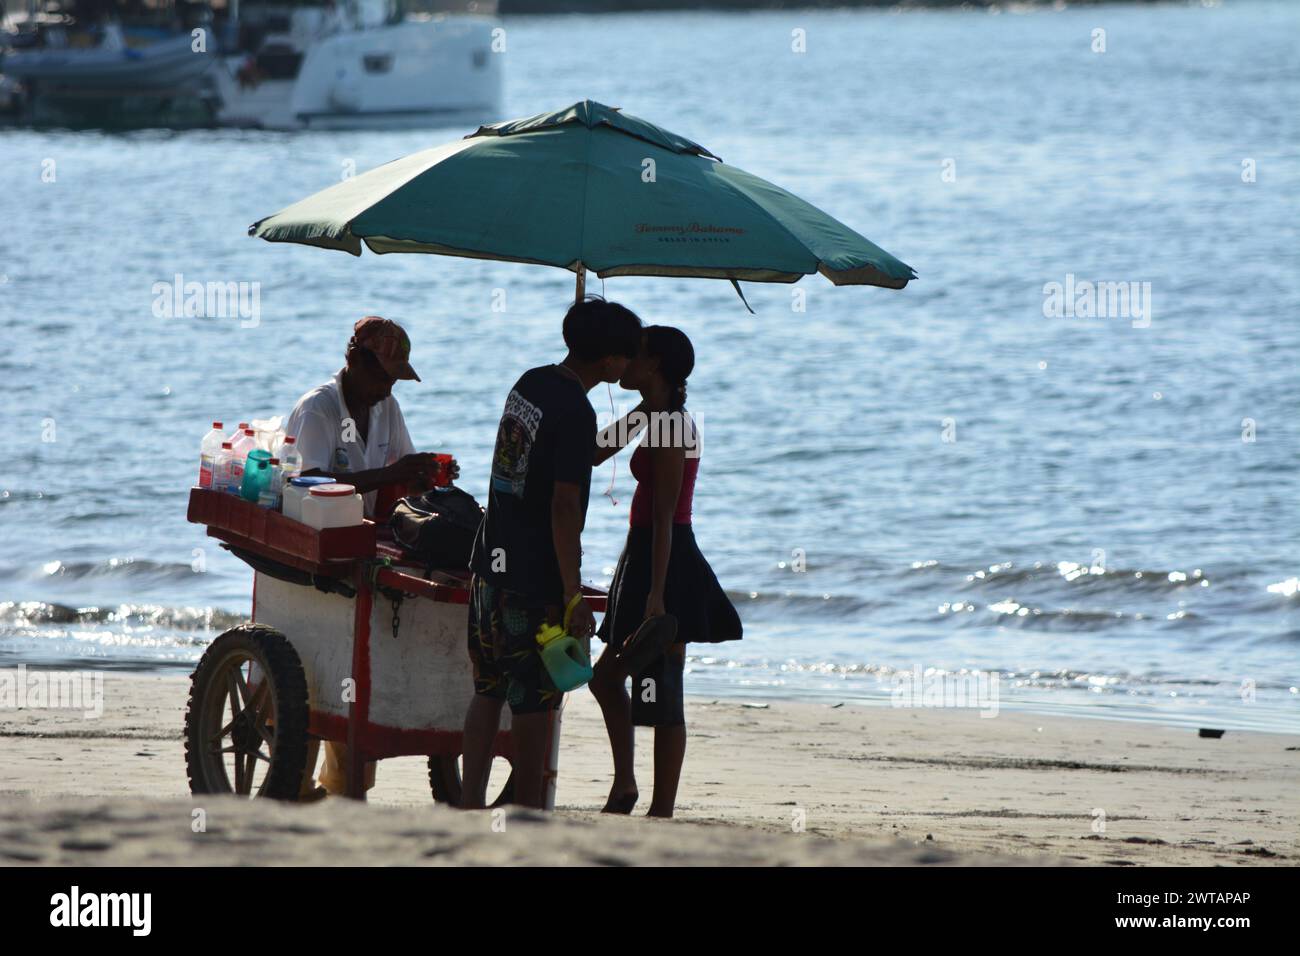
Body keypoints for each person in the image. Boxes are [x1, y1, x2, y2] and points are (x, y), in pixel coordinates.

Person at [460, 298, 642, 809]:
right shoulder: (575, 409)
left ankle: (470, 805)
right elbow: (565, 507)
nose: (627, 366)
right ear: (609, 362)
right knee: (536, 703)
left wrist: (638, 420)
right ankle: (530, 813)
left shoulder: (532, 383)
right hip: (533, 580)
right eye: (625, 357)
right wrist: (571, 592)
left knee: (488, 689)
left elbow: (576, 454)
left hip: (489, 566)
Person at [284, 315, 457, 798]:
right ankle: (301, 781)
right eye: (382, 376)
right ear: (355, 361)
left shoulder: (387, 409)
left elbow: (399, 471)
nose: (387, 388)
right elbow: (307, 482)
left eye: (394, 379)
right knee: (321, 663)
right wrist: (389, 476)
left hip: (367, 542)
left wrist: (423, 477)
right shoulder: (318, 408)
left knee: (357, 659)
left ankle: (343, 784)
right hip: (312, 544)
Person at [588, 326, 742, 817]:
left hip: (665, 556)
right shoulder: (658, 417)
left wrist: (656, 594)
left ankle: (656, 803)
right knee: (621, 678)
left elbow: (665, 513)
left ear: (652, 365)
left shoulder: (674, 426)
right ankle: (633, 791)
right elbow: (593, 453)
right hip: (648, 551)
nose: (622, 364)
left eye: (632, 356)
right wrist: (641, 411)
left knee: (648, 678)